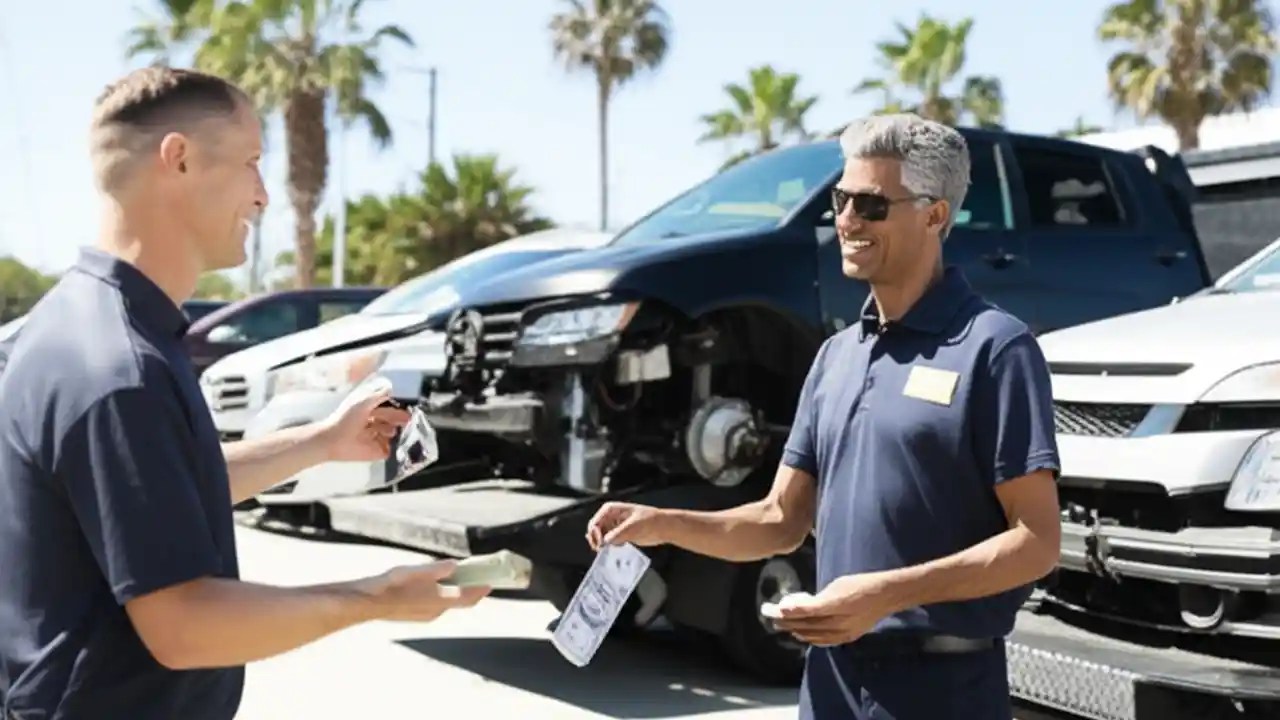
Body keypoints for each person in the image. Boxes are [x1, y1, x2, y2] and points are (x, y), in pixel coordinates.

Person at [0, 67, 489, 720]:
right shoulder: (120, 366)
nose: (263, 196)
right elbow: (184, 626)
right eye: (253, 162)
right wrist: (378, 598)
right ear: (178, 160)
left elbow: (149, 494)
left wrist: (320, 442)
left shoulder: (83, 322)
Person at [586, 113, 1062, 720]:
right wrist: (660, 522)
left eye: (870, 205)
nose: (846, 220)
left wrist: (886, 595)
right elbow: (780, 519)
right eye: (841, 199)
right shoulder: (836, 356)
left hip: (943, 691)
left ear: (935, 215)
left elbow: (1036, 542)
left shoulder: (995, 348)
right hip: (830, 683)